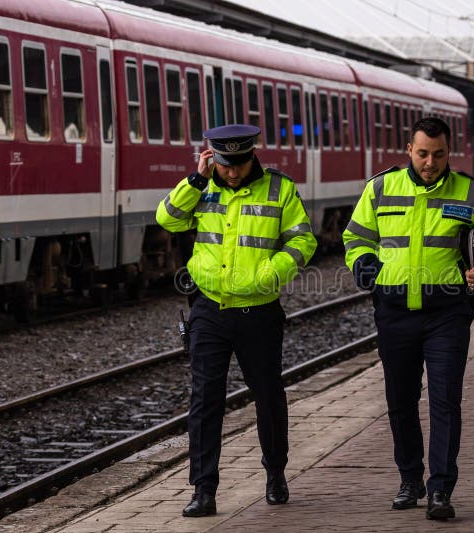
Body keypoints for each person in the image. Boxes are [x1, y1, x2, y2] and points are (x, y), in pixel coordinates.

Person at [342, 117, 474, 521]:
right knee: (400, 401)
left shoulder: (473, 193)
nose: (430, 162)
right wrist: (367, 270)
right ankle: (409, 479)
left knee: (444, 400)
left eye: (438, 154)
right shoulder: (381, 189)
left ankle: (440, 489)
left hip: (448, 314)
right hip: (394, 311)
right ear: (409, 149)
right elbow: (355, 238)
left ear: (448, 152)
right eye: (422, 153)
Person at [155, 124, 317, 517]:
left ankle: (275, 473)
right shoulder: (201, 186)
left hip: (259, 310)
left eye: (239, 164)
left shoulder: (279, 189)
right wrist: (196, 179)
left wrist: (270, 274)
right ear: (214, 157)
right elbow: (167, 219)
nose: (232, 172)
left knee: (268, 397)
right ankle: (203, 490)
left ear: (252, 156)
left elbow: (303, 240)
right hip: (209, 308)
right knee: (205, 401)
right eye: (225, 164)